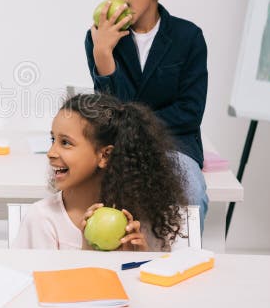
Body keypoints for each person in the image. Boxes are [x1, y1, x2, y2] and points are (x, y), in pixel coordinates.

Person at [84, 0, 208, 228]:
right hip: (120, 146)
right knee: (99, 195)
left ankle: (183, 263)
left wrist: (135, 124)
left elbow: (189, 112)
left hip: (175, 144)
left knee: (189, 191)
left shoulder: (188, 37)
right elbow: (109, 112)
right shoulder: (98, 38)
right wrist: (104, 55)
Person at [13, 93, 186, 251]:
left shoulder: (144, 221)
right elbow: (36, 283)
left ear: (105, 155)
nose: (51, 152)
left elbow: (160, 281)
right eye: (53, 139)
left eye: (65, 142)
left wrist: (142, 258)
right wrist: (87, 254)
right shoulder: (42, 219)